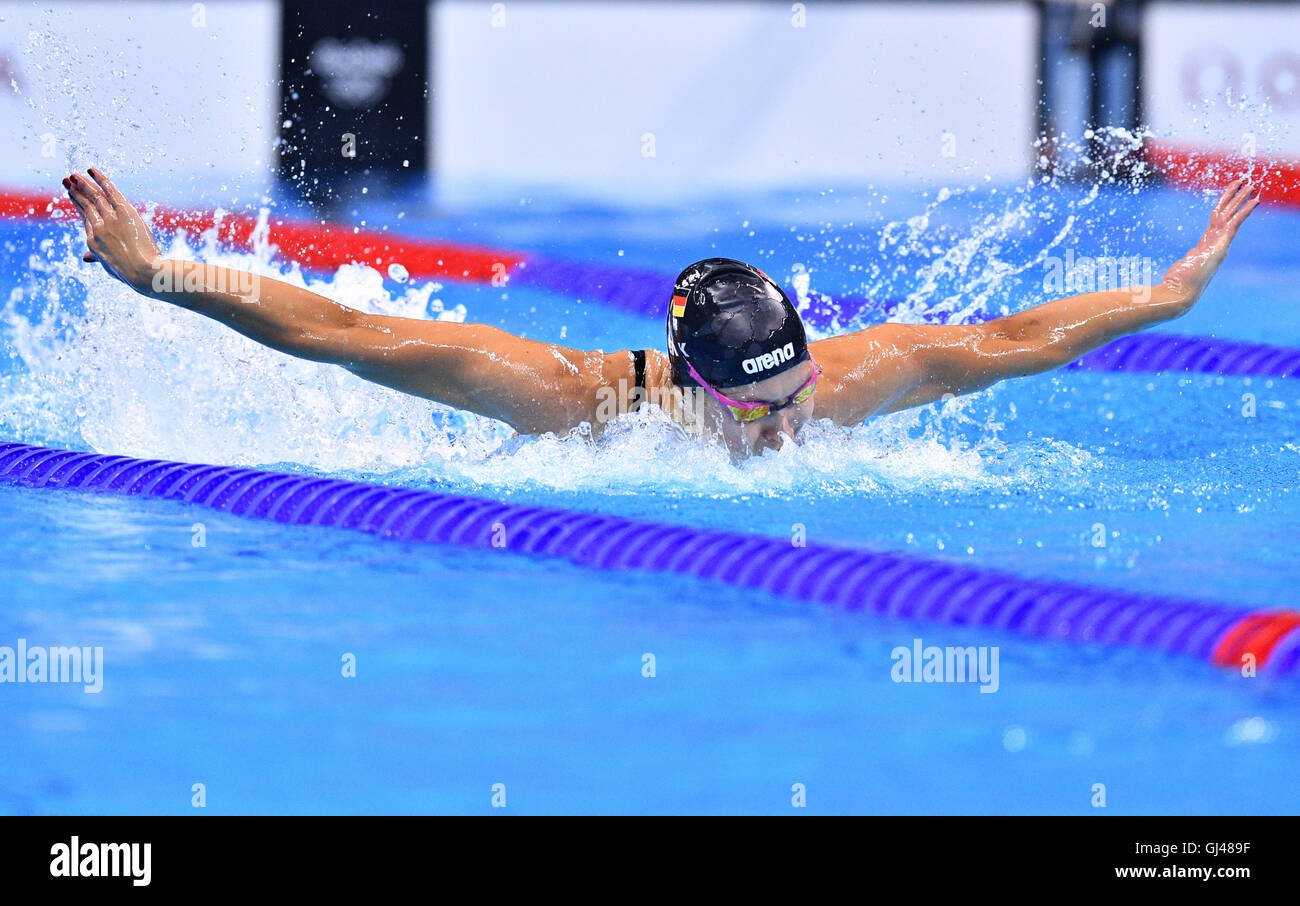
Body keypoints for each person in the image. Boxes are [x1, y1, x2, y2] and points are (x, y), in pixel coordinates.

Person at [62, 168, 1259, 459]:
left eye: (797, 395)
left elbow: (1003, 343)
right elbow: (338, 333)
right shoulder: (560, 398)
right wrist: (164, 273)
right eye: (764, 408)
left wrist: (1164, 295)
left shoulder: (836, 382)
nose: (792, 427)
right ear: (693, 385)